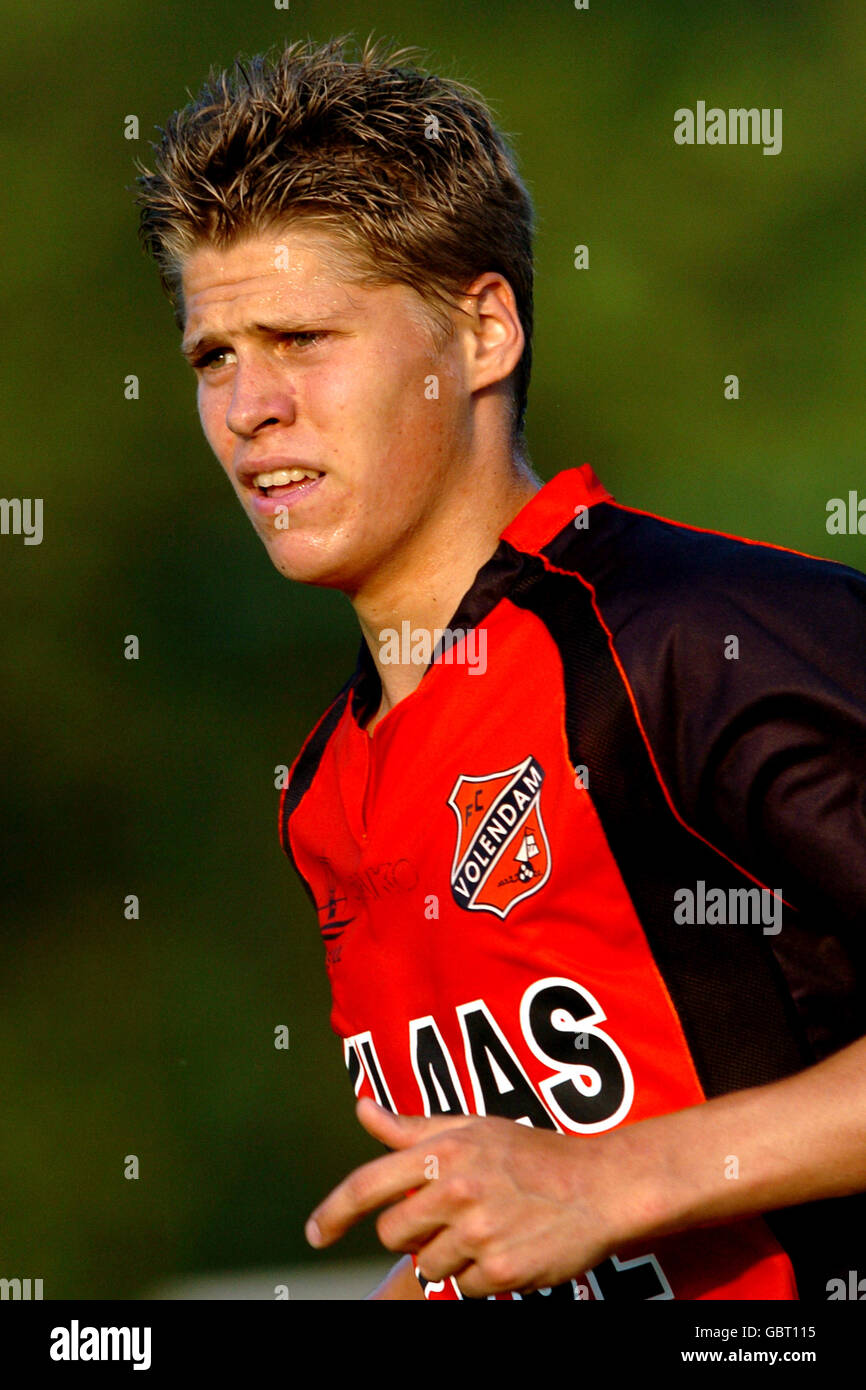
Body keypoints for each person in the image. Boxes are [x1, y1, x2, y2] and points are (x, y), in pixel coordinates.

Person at [135, 35, 866, 1301]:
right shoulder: (325, 787)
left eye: (302, 338)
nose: (248, 405)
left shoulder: (691, 638)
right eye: (214, 354)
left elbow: (595, 1187)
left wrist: (621, 1178)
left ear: (480, 331)